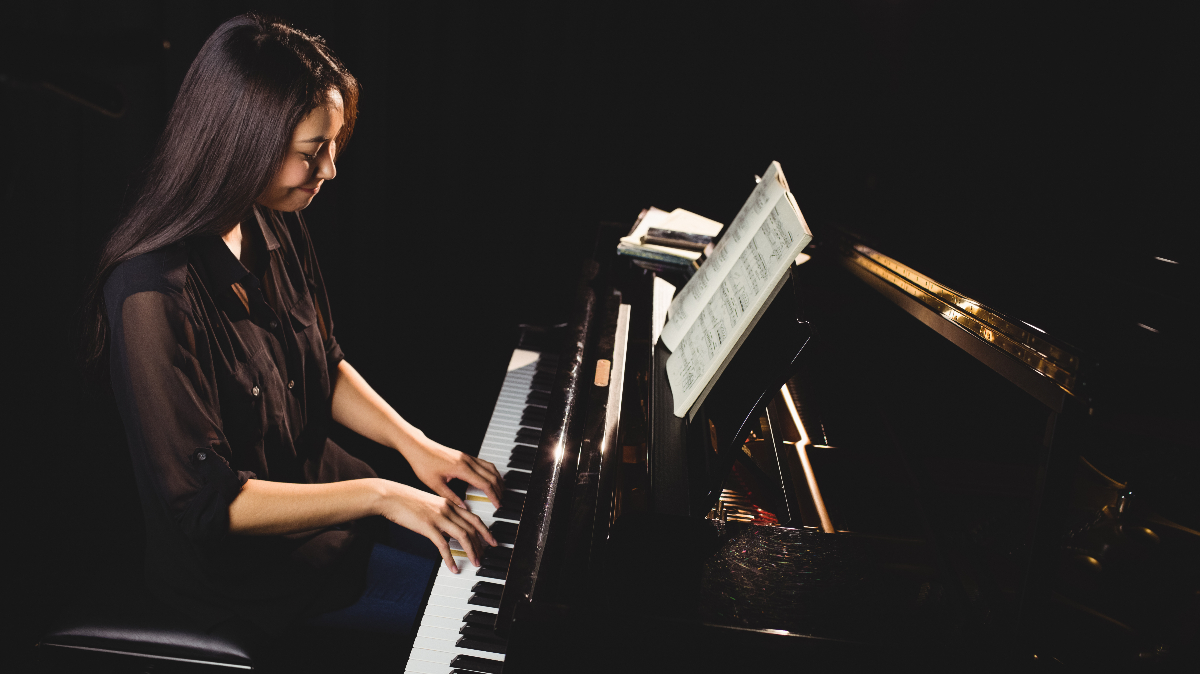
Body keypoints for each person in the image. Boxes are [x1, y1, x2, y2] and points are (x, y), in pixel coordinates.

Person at [80, 13, 503, 642]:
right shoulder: (149, 293)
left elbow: (321, 364)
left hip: (335, 518)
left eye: (332, 148)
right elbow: (209, 504)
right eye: (313, 152)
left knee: (498, 557)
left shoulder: (268, 213)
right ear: (244, 143)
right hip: (255, 584)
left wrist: (416, 446)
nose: (329, 170)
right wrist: (382, 494)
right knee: (479, 619)